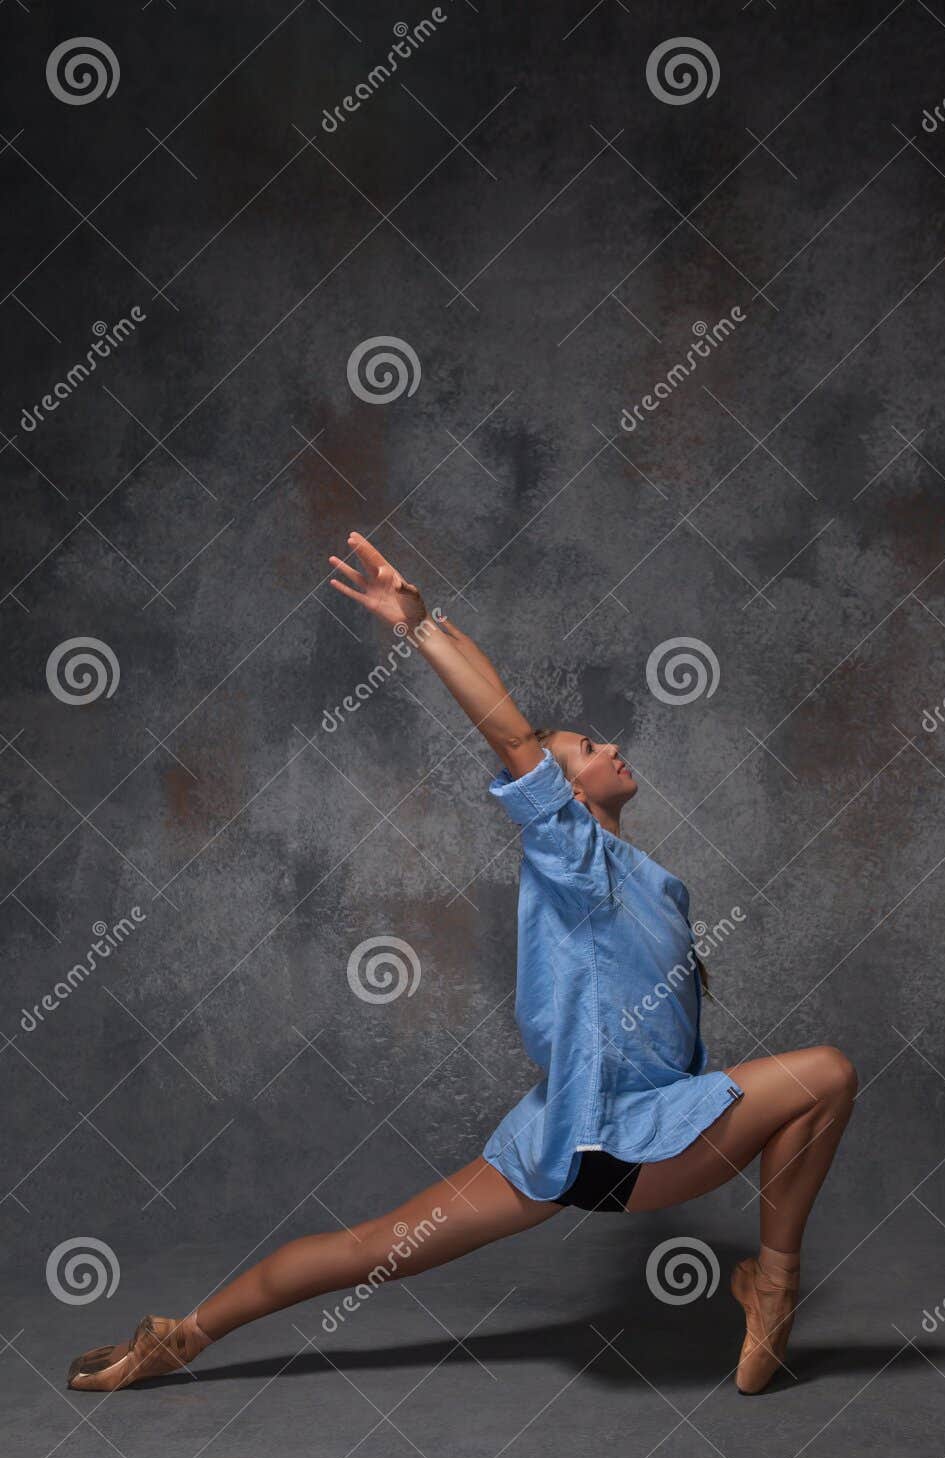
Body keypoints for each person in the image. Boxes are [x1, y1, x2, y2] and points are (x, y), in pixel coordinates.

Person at [67, 532, 857, 1398]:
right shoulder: (571, 852)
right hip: (616, 1143)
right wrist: (418, 623)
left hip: (580, 1137)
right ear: (566, 793)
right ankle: (771, 1287)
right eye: (585, 750)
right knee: (825, 1074)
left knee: (378, 1246)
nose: (606, 749)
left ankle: (181, 1338)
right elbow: (513, 733)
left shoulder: (653, 884)